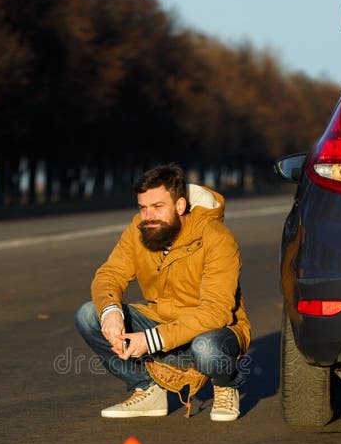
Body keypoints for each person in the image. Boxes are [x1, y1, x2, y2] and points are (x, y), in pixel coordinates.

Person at [75, 163, 251, 421]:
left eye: (157, 207)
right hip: (160, 321)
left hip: (212, 330)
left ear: (180, 206)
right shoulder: (140, 229)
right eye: (143, 207)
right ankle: (147, 388)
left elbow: (215, 312)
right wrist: (111, 313)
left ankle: (227, 384)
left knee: (206, 349)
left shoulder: (217, 238)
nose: (148, 216)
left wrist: (149, 340)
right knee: (89, 314)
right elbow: (109, 274)